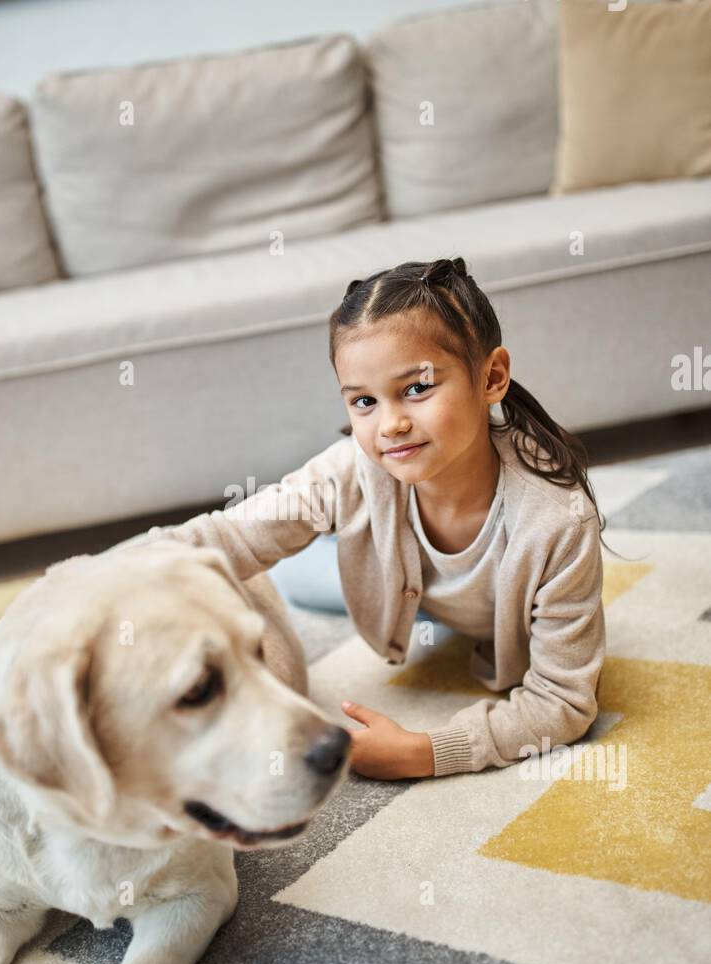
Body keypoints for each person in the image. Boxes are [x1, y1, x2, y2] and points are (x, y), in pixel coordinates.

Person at [120, 258, 612, 783]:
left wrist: (426, 751)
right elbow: (234, 534)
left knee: (297, 569)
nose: (392, 424)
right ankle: (376, 571)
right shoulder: (353, 470)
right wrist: (111, 572)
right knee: (282, 576)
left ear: (491, 377)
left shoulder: (558, 523)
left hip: (470, 607)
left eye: (417, 388)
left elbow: (563, 701)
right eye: (364, 401)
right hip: (401, 590)